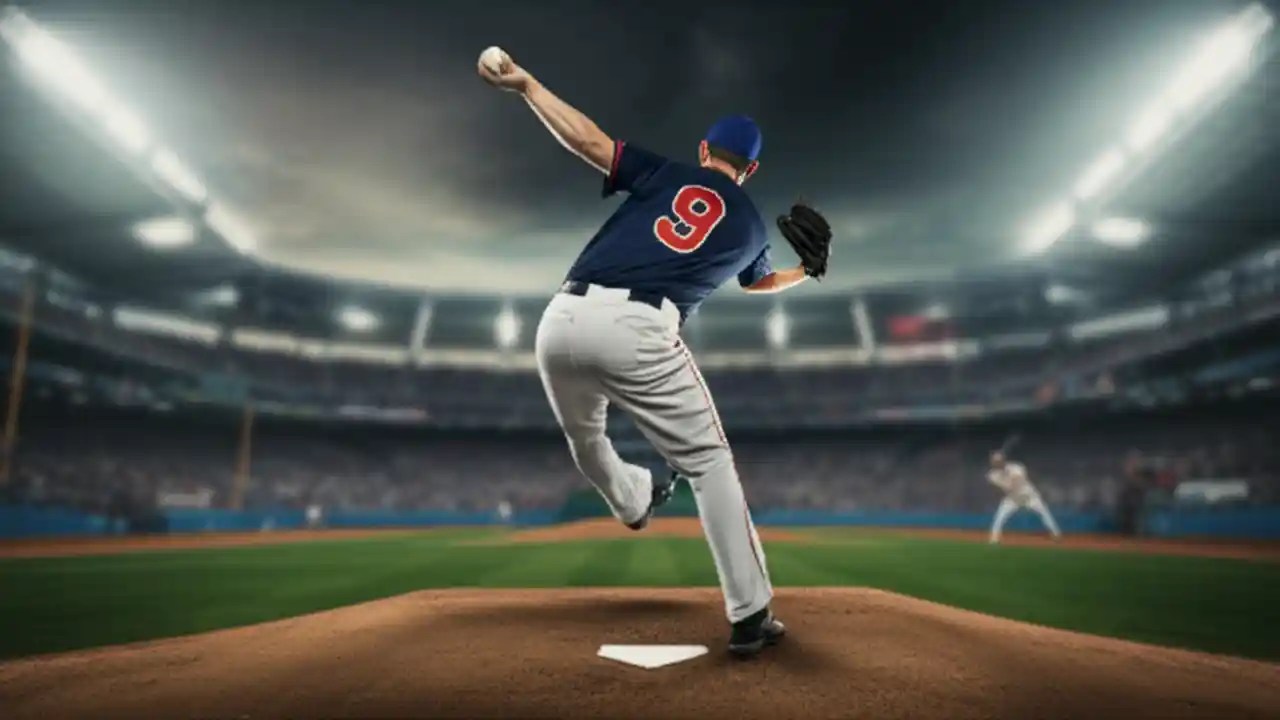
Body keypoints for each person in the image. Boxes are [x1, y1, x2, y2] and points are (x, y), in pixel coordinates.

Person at [478, 52, 812, 656]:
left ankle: (632, 499)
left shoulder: (667, 173)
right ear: (752, 169)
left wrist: (529, 86)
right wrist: (804, 272)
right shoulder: (754, 227)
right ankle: (750, 614)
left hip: (560, 320)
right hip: (639, 327)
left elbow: (589, 141)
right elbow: (758, 285)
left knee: (587, 440)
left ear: (706, 151)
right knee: (708, 461)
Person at [986, 451, 1062, 544]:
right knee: (1000, 517)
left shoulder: (1016, 467)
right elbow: (1006, 487)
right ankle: (994, 538)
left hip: (1029, 496)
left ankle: (1056, 534)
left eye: (998, 461)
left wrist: (1009, 475)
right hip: (1012, 499)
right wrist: (1006, 476)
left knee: (1044, 513)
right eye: (994, 461)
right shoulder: (992, 475)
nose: (996, 463)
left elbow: (1018, 482)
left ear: (1003, 460)